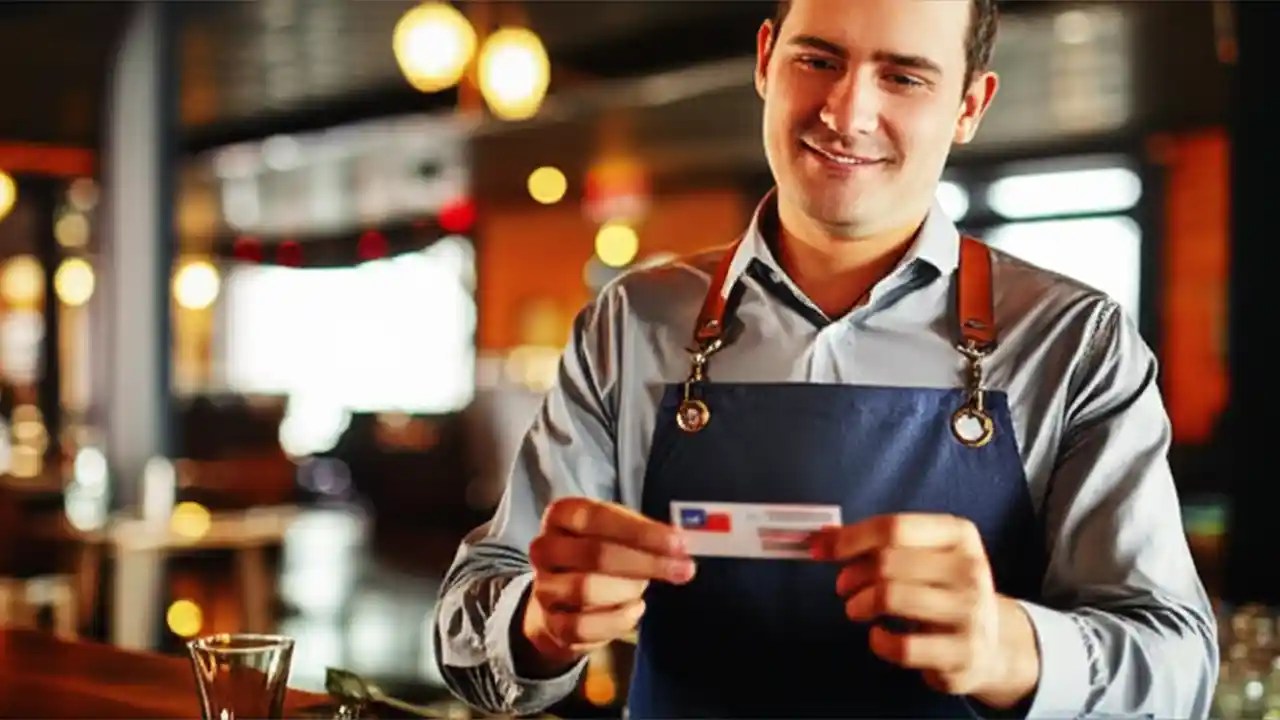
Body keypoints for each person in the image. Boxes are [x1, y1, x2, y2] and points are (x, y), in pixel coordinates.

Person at [433, 0, 1219, 716]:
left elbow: (1178, 667)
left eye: (903, 76)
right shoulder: (631, 323)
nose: (846, 113)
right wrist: (540, 621)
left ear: (969, 106)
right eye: (818, 60)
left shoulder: (1075, 342)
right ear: (765, 61)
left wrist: (1006, 647)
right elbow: (471, 622)